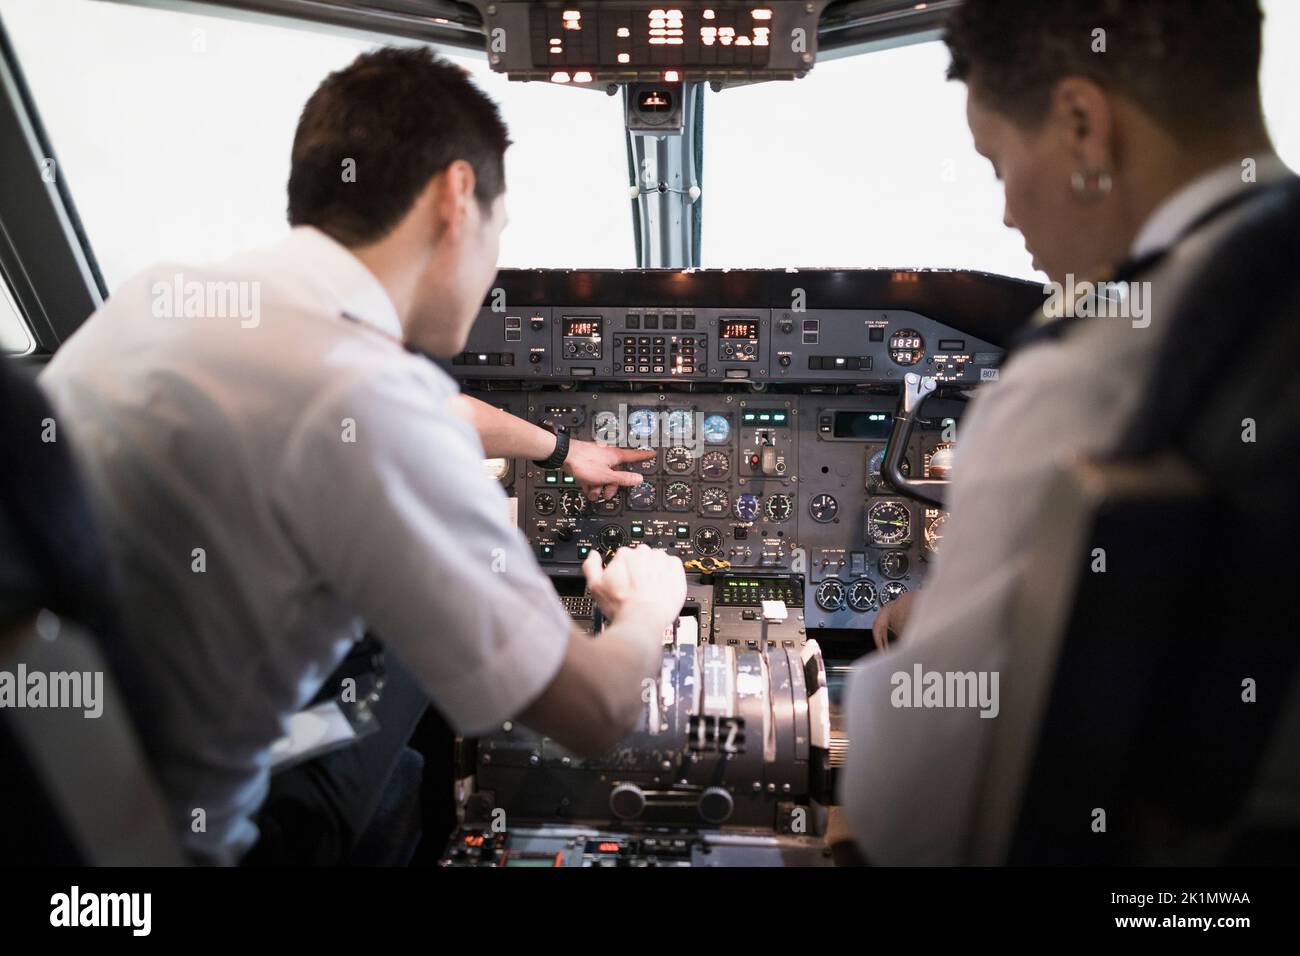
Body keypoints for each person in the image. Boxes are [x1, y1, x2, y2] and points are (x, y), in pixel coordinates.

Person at [38, 46, 686, 865]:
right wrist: (649, 609)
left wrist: (561, 450)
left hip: (62, 805)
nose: (491, 270)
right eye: (499, 231)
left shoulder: (164, 298)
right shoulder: (366, 396)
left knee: (397, 663)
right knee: (409, 662)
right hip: (212, 841)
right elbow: (597, 714)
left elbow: (409, 414)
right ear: (457, 197)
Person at [840, 0, 1297, 863]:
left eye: (998, 162)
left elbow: (911, 813)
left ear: (1085, 127)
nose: (1008, 213)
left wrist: (919, 645)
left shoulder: (1100, 369)